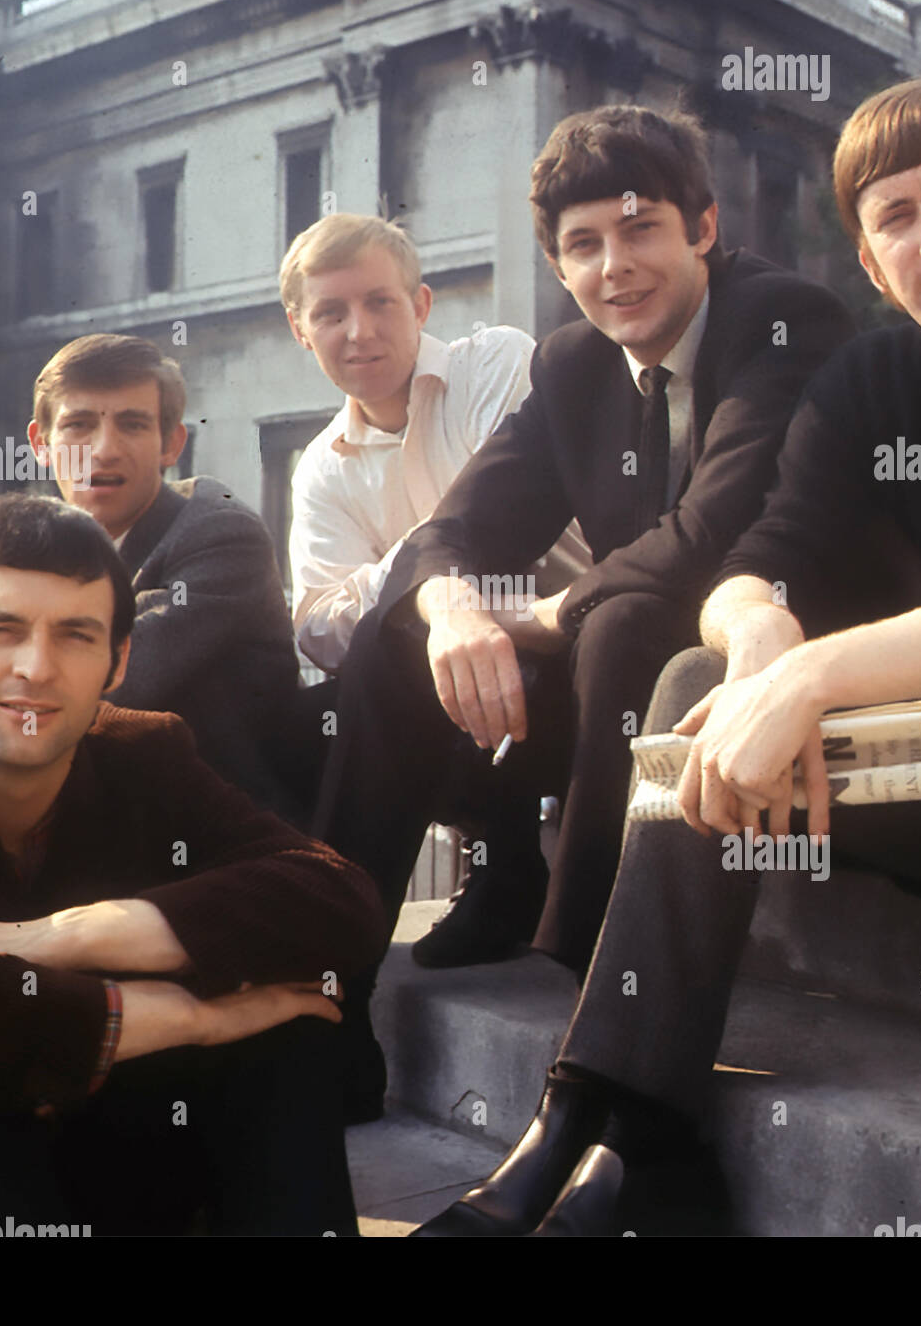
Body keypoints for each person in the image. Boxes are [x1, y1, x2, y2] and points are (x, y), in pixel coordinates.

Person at [416, 77, 921, 1238]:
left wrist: (808, 677)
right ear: (865, 248)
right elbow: (759, 560)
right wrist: (759, 643)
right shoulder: (865, 381)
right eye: (894, 214)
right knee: (700, 677)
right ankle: (617, 1116)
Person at [315, 104, 855, 1118]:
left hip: (762, 664)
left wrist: (540, 613)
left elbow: (708, 535)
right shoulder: (571, 363)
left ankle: (602, 1004)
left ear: (701, 227)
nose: (614, 266)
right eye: (582, 245)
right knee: (399, 640)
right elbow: (454, 529)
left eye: (639, 228)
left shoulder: (783, 322)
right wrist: (451, 607)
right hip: (623, 674)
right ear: (560, 266)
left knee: (622, 617)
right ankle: (328, 1005)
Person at [0, 493, 384, 1236]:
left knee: (284, 1029)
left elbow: (336, 897)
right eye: (0, 630)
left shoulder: (145, 754)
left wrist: (58, 938)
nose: (36, 668)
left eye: (76, 635)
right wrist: (163, 1015)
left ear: (118, 659)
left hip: (113, 1166)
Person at [283, 212, 590, 961]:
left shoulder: (496, 365)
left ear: (420, 306)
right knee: (301, 717)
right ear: (301, 329)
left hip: (571, 658)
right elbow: (318, 630)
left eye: (380, 303)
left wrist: (403, 573)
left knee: (408, 632)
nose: (358, 331)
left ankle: (329, 956)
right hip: (445, 684)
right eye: (330, 313)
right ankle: (488, 875)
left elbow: (495, 530)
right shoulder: (323, 467)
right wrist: (418, 581)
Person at [0, 335, 301, 815]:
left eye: (132, 424)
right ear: (40, 444)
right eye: (79, 425)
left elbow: (95, 684)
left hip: (209, 837)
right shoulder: (44, 545)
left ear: (171, 443)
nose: (104, 450)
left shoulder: (218, 534)